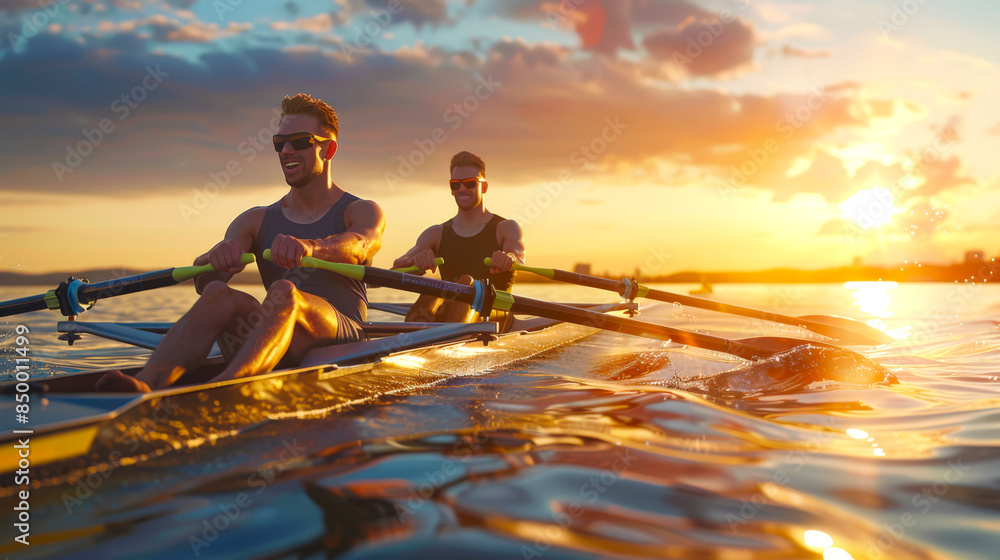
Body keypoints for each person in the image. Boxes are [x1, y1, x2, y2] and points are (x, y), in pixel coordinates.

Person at [97, 93, 385, 392]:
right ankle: (146, 384)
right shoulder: (254, 220)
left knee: (286, 291)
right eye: (279, 142)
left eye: (300, 141)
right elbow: (204, 283)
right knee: (220, 293)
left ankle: (227, 388)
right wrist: (214, 258)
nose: (286, 150)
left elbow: (360, 246)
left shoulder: (361, 210)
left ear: (329, 149)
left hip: (343, 336)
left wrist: (312, 248)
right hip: (277, 333)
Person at [391, 151, 524, 327]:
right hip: (449, 318)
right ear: (451, 188)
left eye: (470, 183)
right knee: (433, 287)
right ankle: (411, 342)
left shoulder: (506, 228)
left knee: (467, 282)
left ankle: (443, 338)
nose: (462, 189)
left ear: (483, 187)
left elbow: (520, 260)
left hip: (494, 318)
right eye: (456, 185)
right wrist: (414, 263)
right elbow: (397, 268)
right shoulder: (435, 233)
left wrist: (509, 259)